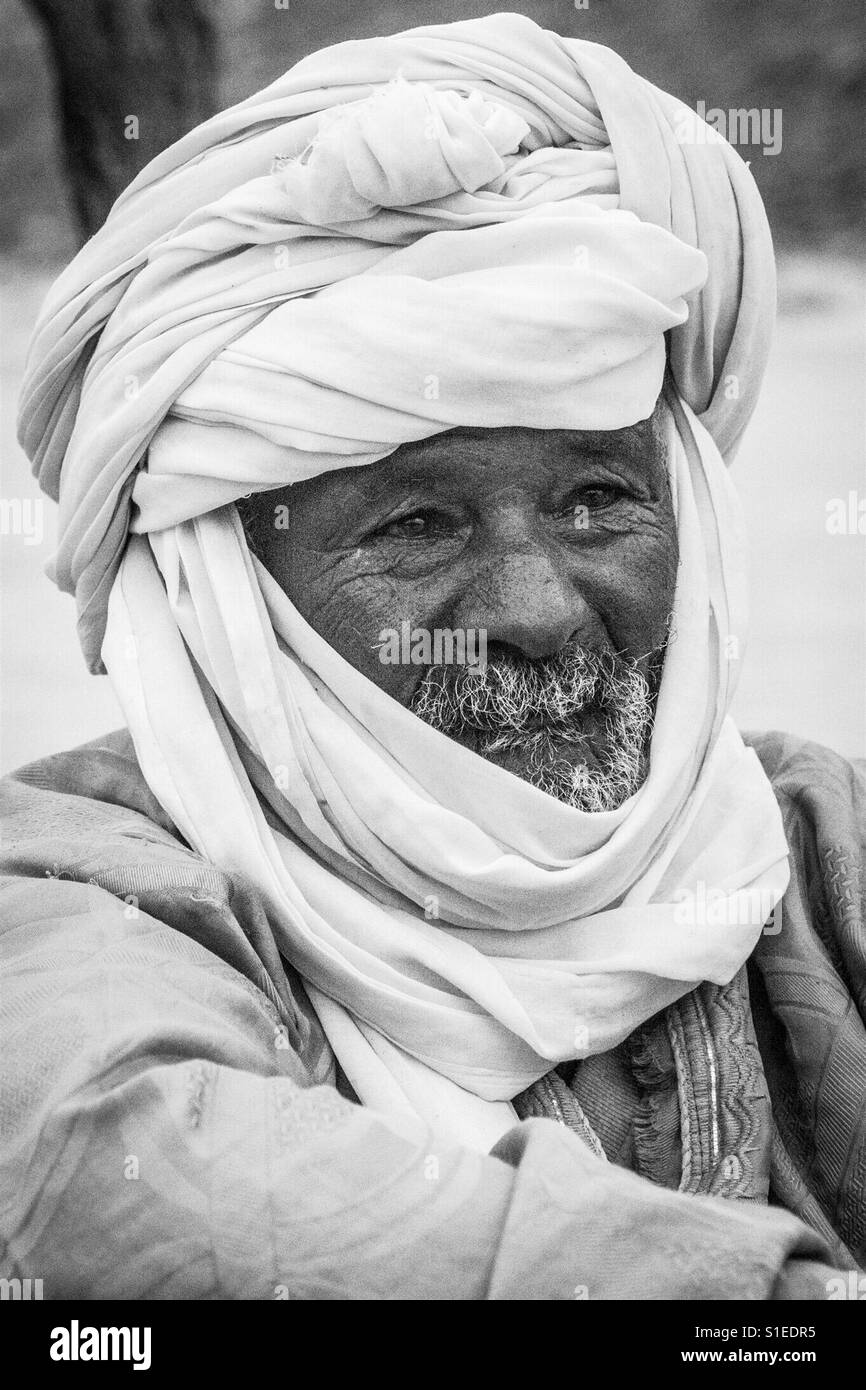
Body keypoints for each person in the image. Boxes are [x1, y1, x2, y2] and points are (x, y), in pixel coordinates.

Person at [3, 13, 863, 1299]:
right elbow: (144, 1190)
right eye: (416, 523)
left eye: (592, 500)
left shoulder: (814, 844)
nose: (540, 610)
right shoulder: (75, 895)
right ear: (230, 590)